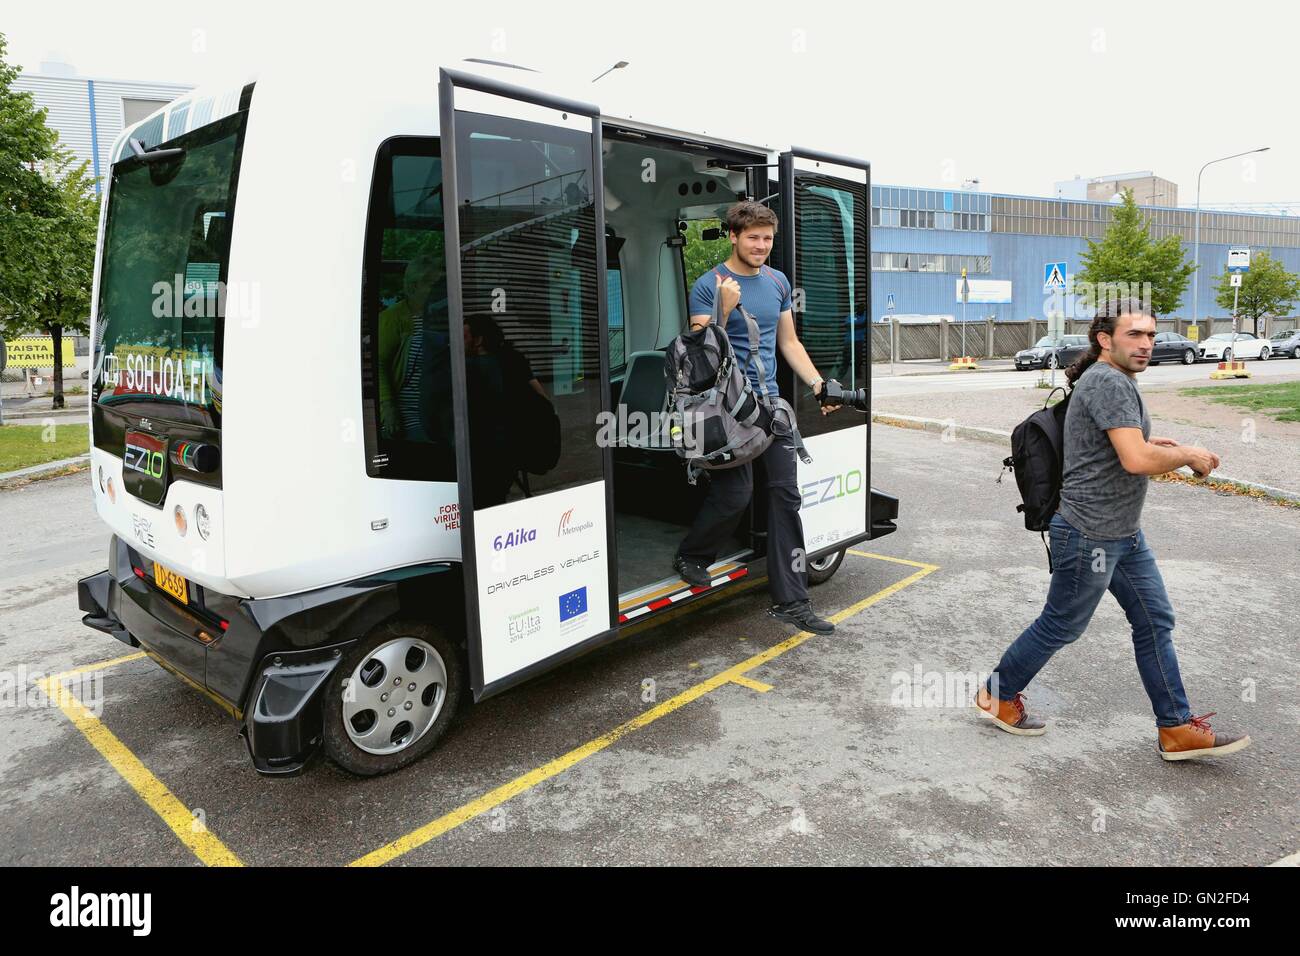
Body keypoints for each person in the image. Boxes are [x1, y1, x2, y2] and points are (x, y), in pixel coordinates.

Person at [977, 298, 1251, 761]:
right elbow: (1136, 460)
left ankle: (1176, 728)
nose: (1146, 344)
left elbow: (1123, 447)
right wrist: (1186, 454)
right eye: (1134, 335)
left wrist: (1155, 443)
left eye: (1150, 334)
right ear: (1105, 340)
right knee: (1061, 624)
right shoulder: (1108, 381)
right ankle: (996, 693)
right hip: (1090, 533)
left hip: (1122, 534)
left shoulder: (1112, 378)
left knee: (1153, 620)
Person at [673, 201, 841, 634]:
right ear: (732, 236)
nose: (761, 246)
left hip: (770, 406)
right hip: (727, 408)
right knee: (736, 494)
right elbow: (704, 357)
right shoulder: (708, 286)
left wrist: (818, 383)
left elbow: (788, 342)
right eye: (753, 238)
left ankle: (792, 600)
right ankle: (694, 554)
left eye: (767, 238)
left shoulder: (777, 281)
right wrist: (725, 311)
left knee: (785, 497)